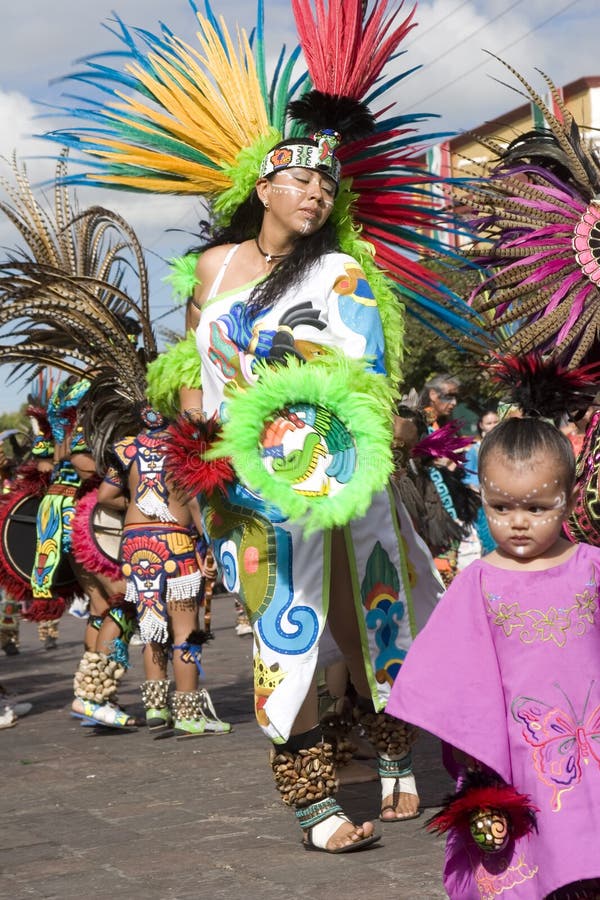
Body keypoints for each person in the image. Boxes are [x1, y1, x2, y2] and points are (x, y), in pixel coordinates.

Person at [386, 416, 600, 898]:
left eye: (537, 507)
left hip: (595, 752)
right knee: (546, 863)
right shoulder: (478, 582)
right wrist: (476, 770)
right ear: (482, 497)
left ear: (565, 498)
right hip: (523, 758)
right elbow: (452, 678)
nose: (518, 521)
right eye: (501, 507)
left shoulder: (591, 567)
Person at [97, 407, 232, 738]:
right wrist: (210, 546)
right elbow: (197, 503)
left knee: (151, 623)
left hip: (134, 541)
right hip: (174, 540)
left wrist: (133, 504)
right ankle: (187, 713)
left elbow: (105, 496)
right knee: (185, 628)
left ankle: (156, 707)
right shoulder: (186, 446)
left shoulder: (126, 447)